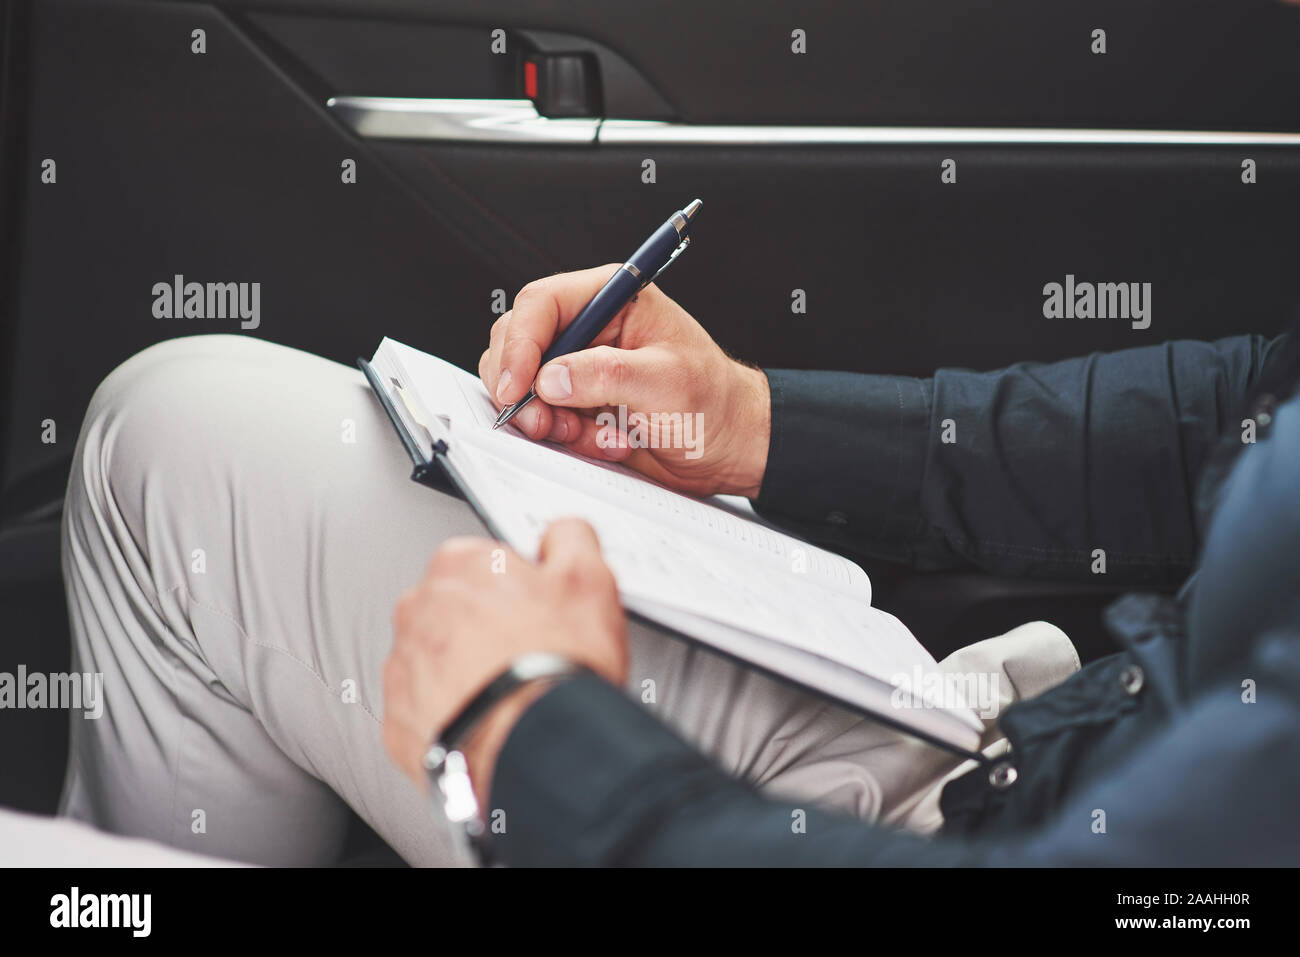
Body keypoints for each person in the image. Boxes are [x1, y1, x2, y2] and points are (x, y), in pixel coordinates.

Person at [60, 266, 1299, 866]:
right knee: (168, 434)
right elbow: (1249, 405)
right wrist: (758, 425)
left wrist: (531, 735)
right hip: (1050, 745)